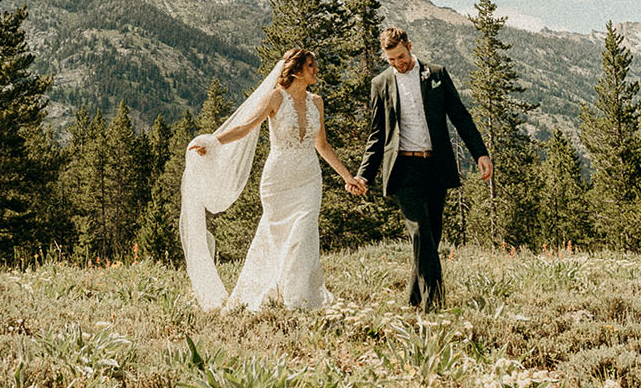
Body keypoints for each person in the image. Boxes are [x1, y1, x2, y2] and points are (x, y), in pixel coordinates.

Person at [181, 49, 366, 311]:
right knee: (276, 238)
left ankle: (297, 299)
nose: (316, 70)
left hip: (310, 179)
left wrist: (348, 177)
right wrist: (213, 141)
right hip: (278, 181)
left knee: (303, 236)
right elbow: (245, 127)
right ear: (296, 70)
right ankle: (273, 294)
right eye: (311, 65)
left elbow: (322, 145)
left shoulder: (317, 102)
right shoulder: (275, 98)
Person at [356, 27, 491, 310]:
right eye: (391, 60)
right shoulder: (381, 84)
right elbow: (377, 135)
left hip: (435, 166)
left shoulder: (436, 75)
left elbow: (460, 115)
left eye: (401, 57)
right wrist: (364, 175)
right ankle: (434, 307)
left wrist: (480, 153)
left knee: (432, 237)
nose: (398, 63)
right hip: (404, 168)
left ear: (410, 46)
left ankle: (413, 302)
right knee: (420, 233)